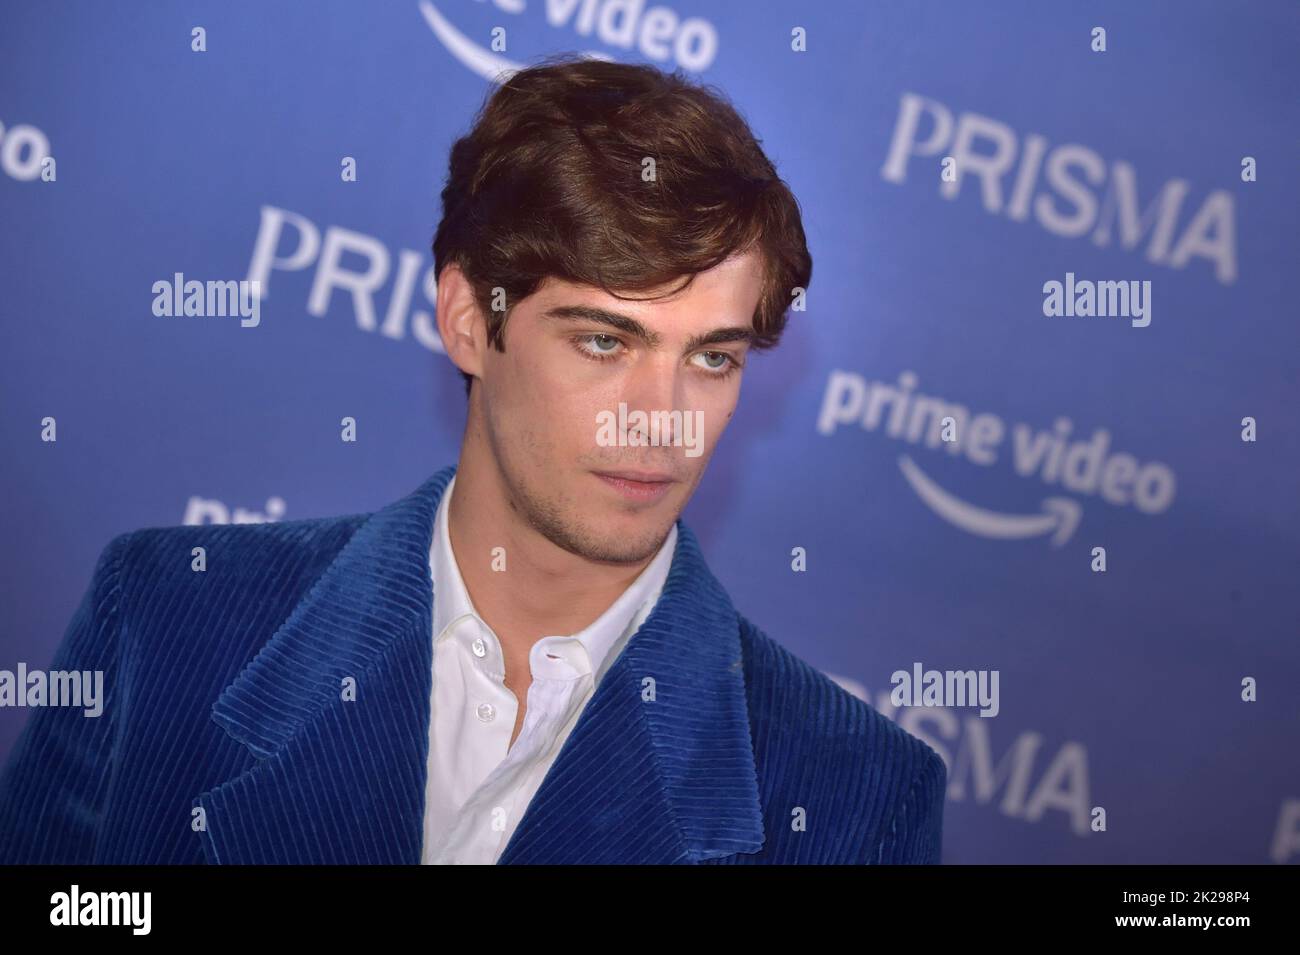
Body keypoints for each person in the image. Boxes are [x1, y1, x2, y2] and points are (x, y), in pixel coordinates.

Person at [0, 54, 945, 865]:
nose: (662, 423)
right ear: (466, 318)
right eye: (605, 343)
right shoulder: (169, 618)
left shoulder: (854, 791)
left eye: (712, 357)